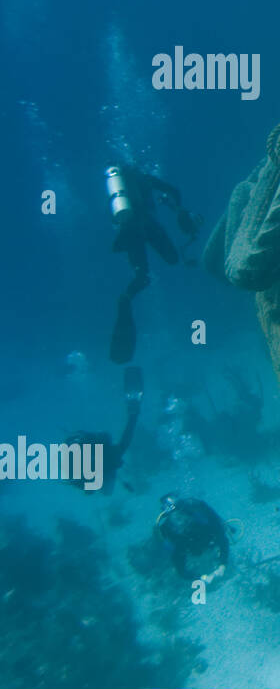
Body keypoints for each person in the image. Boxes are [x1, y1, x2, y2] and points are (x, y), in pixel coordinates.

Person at [105, 162, 202, 364]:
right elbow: (174, 190)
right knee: (173, 259)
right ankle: (126, 300)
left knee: (142, 276)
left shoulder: (120, 187)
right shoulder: (146, 179)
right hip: (148, 226)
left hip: (129, 230)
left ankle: (126, 299)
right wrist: (180, 210)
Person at [63, 366, 142, 494]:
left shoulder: (104, 460)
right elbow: (125, 439)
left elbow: (124, 440)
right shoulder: (105, 459)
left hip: (91, 461)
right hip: (91, 461)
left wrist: (133, 414)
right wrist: (133, 414)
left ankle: (133, 406)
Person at [155, 494, 230, 582]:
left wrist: (222, 565)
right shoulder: (175, 537)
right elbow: (180, 568)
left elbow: (222, 538)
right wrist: (201, 578)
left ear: (187, 515)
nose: (180, 523)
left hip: (205, 540)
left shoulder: (202, 525)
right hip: (194, 546)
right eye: (176, 520)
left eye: (181, 517)